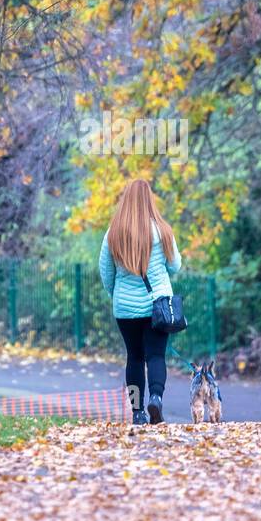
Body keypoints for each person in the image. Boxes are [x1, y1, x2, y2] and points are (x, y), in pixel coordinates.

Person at [99, 179, 181, 424]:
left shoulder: (113, 233)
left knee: (133, 357)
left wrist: (118, 295)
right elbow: (175, 266)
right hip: (157, 306)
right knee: (156, 356)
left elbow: (106, 273)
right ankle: (155, 398)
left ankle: (137, 413)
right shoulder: (162, 230)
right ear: (149, 200)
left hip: (125, 309)